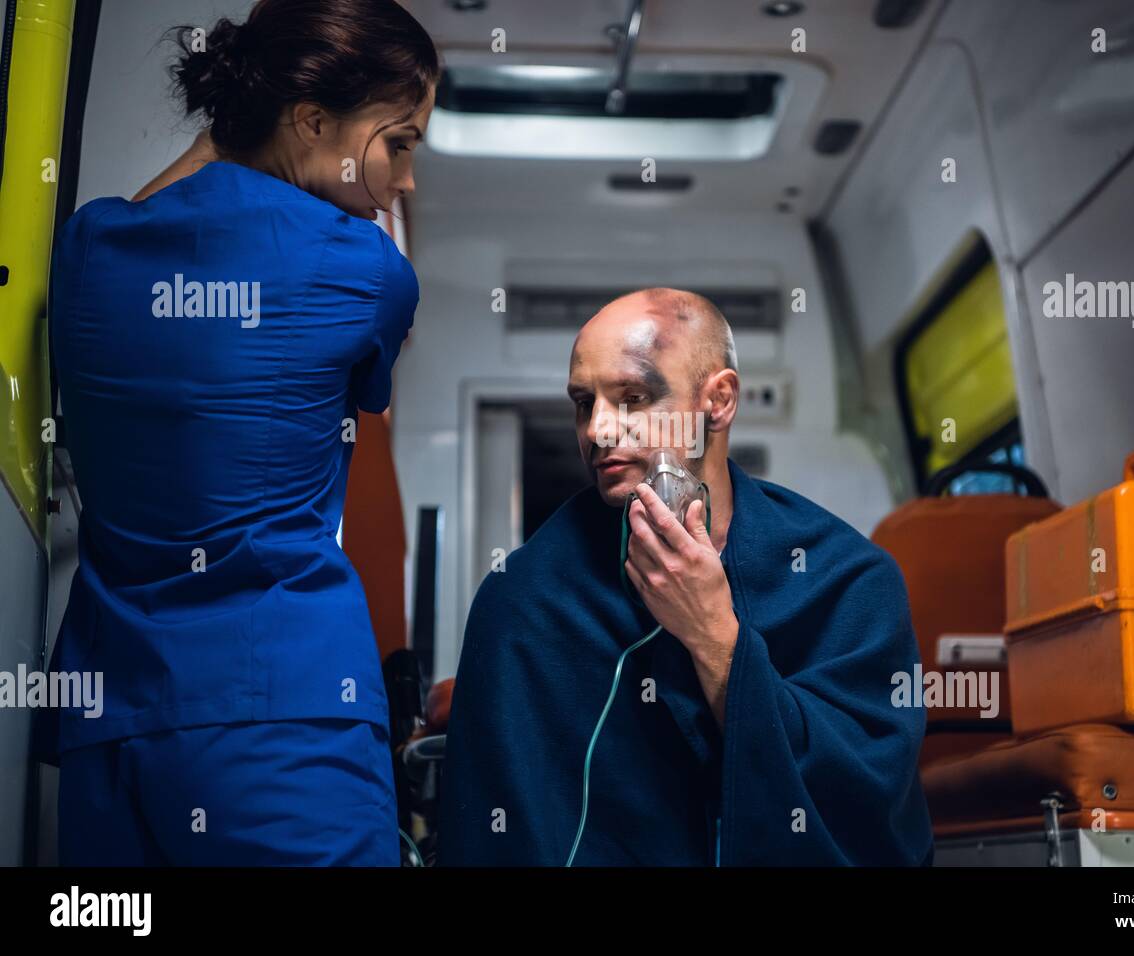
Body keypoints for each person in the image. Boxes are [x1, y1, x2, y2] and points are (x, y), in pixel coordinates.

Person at [43, 0, 440, 865]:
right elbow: (365, 388)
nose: (405, 180)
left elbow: (166, 212)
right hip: (281, 718)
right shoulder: (367, 270)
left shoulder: (84, 248)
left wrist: (223, 141)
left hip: (109, 724)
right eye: (400, 142)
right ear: (310, 121)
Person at [437, 288, 935, 865]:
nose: (598, 428)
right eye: (583, 402)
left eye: (632, 397)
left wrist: (716, 641)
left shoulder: (846, 578)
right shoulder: (523, 598)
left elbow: (868, 806)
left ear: (717, 402)